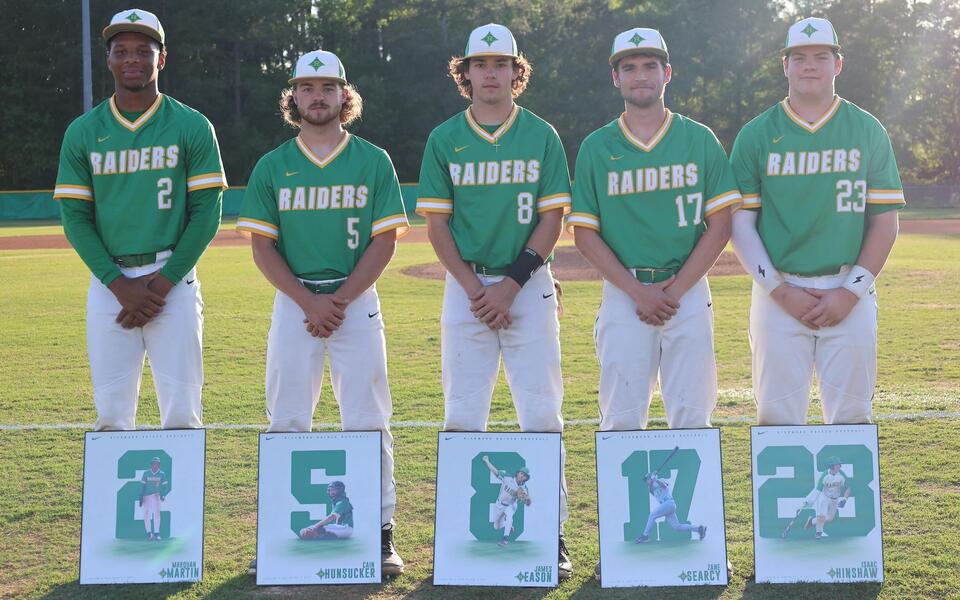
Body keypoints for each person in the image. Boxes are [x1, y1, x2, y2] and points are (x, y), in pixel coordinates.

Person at [236, 50, 408, 575]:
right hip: (295, 303)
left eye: (327, 87)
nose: (317, 96)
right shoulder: (272, 165)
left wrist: (339, 300)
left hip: (355, 303)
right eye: (307, 87)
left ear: (343, 95)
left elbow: (384, 240)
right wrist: (308, 301)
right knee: (287, 416)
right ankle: (283, 534)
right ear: (294, 97)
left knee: (368, 419)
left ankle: (380, 534)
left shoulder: (373, 160)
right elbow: (263, 247)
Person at [415, 23, 573, 579]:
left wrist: (510, 284)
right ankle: (463, 533)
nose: (489, 73)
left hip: (528, 287)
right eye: (479, 65)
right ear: (465, 74)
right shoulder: (444, 138)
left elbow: (552, 219)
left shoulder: (542, 134)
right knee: (462, 413)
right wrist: (475, 287)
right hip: (467, 290)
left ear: (516, 72)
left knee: (541, 412)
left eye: (500, 64)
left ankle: (551, 532)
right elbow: (437, 226)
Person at [53, 8, 226, 431]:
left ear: (161, 59)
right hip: (110, 282)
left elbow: (207, 214)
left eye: (143, 50)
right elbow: (75, 218)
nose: (132, 58)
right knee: (111, 414)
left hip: (175, 282)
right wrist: (119, 285)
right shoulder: (83, 131)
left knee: (183, 413)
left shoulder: (191, 125)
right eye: (121, 50)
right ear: (109, 60)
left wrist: (161, 284)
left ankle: (180, 501)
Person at [730, 17, 904, 425]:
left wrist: (850, 292)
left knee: (852, 417)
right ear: (785, 65)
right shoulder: (757, 134)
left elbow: (884, 222)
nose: (810, 65)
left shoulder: (867, 129)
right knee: (776, 415)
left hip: (849, 289)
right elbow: (741, 225)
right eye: (799, 57)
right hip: (779, 292)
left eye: (821, 56)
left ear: (837, 64)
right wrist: (778, 289)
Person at [570, 28, 740, 431]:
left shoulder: (698, 138)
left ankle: (690, 498)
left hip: (689, 293)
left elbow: (720, 226)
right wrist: (638, 293)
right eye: (629, 67)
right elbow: (585, 235)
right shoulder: (598, 146)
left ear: (668, 73)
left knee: (693, 416)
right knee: (621, 417)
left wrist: (673, 291)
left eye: (650, 65)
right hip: (624, 294)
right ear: (616, 78)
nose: (640, 75)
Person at [635, 471, 706, 543]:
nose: (646, 481)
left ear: (650, 478)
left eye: (647, 479)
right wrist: (652, 480)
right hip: (666, 507)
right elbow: (651, 490)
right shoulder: (651, 487)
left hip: (669, 503)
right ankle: (699, 529)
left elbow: (664, 486)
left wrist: (656, 479)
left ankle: (645, 535)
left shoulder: (661, 480)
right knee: (677, 527)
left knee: (652, 515)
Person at [481, 456, 532, 547]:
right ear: (517, 473)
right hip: (499, 504)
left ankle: (505, 539)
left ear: (526, 478)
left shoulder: (524, 489)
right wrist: (487, 461)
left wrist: (527, 499)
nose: (522, 476)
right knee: (496, 526)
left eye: (524, 475)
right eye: (521, 473)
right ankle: (507, 525)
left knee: (509, 517)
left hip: (511, 505)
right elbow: (495, 471)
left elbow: (528, 504)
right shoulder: (507, 478)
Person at [140, 456, 168, 541]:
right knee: (146, 514)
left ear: (159, 465)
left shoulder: (162, 474)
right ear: (151, 464)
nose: (155, 465)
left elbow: (165, 486)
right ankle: (149, 533)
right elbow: (142, 485)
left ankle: (157, 533)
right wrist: (141, 496)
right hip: (146, 495)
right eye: (154, 463)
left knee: (157, 514)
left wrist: (163, 495)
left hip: (156, 495)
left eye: (157, 464)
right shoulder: (146, 473)